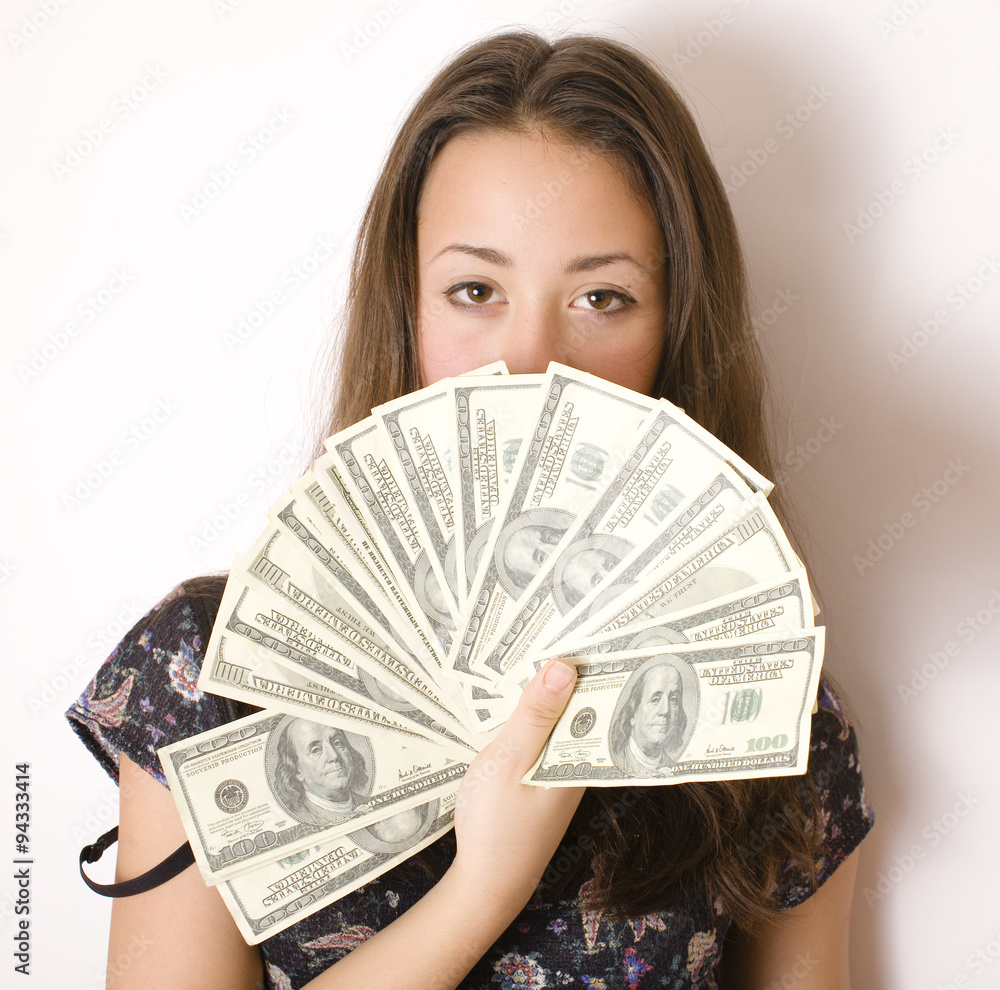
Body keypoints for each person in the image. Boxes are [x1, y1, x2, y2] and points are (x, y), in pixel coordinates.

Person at [66, 30, 873, 989]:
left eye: (604, 296)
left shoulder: (767, 698)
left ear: (676, 331)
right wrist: (484, 886)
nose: (531, 362)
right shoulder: (205, 670)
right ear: (405, 309)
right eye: (476, 289)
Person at [271, 719, 370, 826]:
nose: (334, 755)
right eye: (316, 750)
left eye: (337, 743)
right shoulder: (301, 819)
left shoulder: (369, 803)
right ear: (297, 770)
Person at [609, 659, 689, 774]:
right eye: (655, 700)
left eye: (673, 700)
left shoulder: (675, 768)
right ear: (633, 713)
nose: (665, 710)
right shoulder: (618, 760)